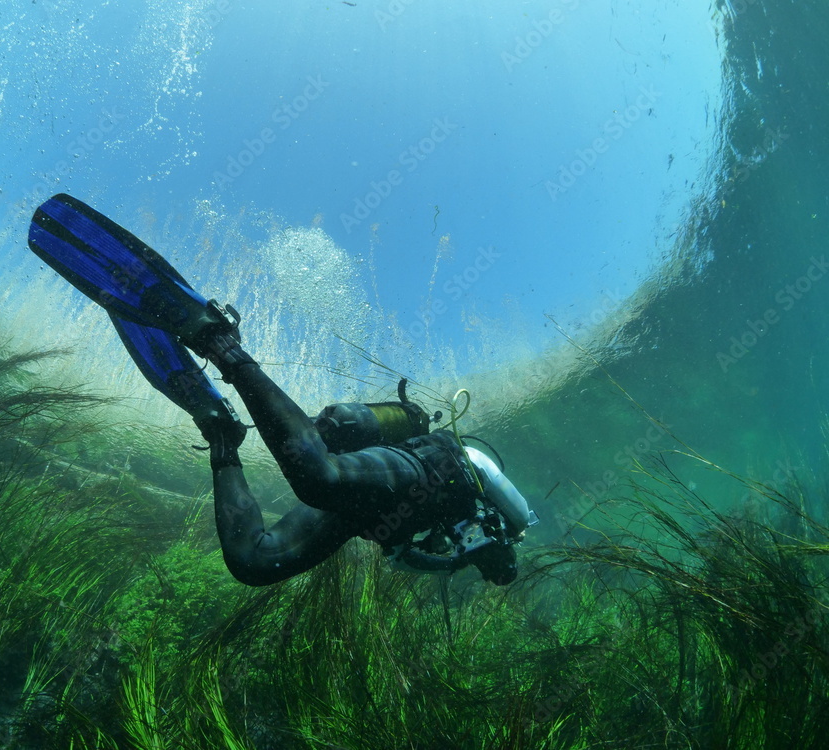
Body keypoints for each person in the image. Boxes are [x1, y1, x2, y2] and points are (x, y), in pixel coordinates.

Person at [28, 194, 538, 586]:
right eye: (500, 567)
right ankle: (219, 342)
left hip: (371, 511)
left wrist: (449, 561)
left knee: (256, 562)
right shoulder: (507, 519)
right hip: (431, 466)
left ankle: (222, 434)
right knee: (318, 478)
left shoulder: (451, 547)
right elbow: (487, 473)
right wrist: (500, 537)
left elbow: (404, 557)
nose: (494, 570)